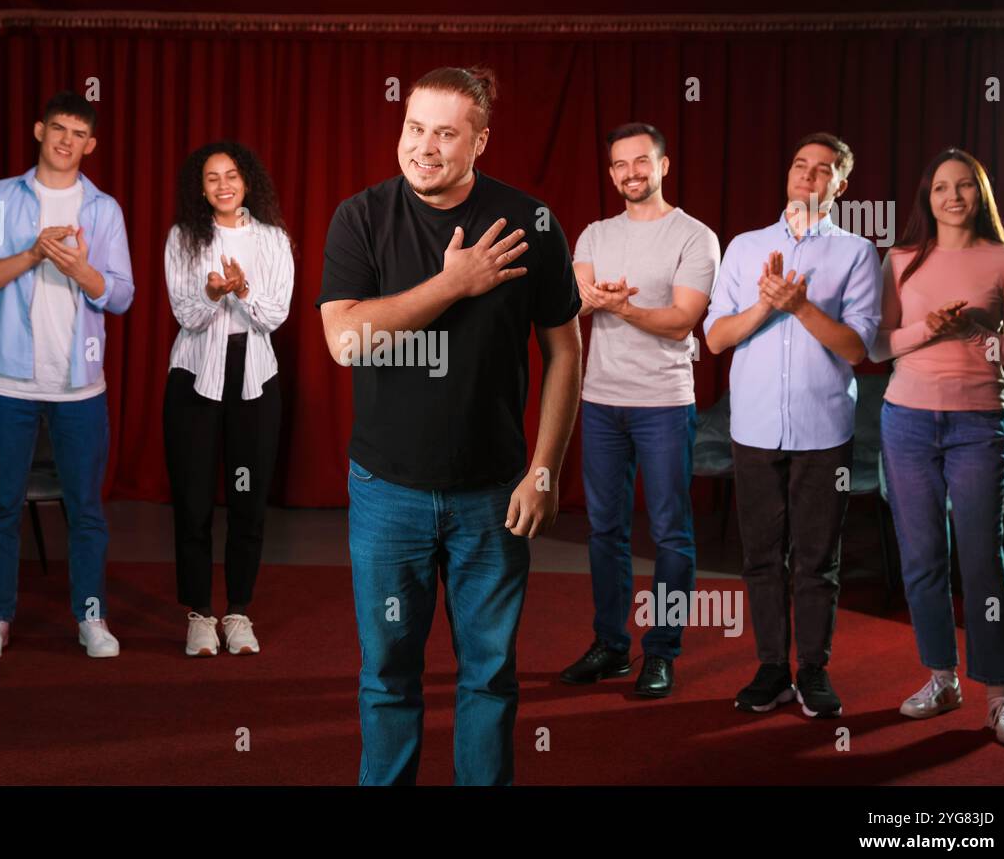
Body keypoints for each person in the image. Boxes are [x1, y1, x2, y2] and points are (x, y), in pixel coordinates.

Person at [317, 65, 582, 785]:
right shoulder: (361, 218)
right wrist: (452, 283)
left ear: (480, 141)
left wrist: (544, 467)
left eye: (444, 132)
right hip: (386, 491)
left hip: (493, 495)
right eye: (413, 128)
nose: (424, 146)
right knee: (387, 676)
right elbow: (346, 341)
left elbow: (565, 350)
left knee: (490, 676)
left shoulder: (531, 223)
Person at [704, 132, 881, 718]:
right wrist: (765, 305)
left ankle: (814, 670)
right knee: (760, 557)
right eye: (799, 165)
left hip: (823, 431)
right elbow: (715, 337)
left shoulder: (856, 253)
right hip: (753, 428)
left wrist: (802, 306)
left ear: (840, 185)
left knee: (816, 559)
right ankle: (773, 668)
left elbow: (858, 349)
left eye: (822, 169)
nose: (807, 177)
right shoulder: (744, 246)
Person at [0, 90, 135, 661]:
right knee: (3, 505)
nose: (66, 141)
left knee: (85, 508)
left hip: (80, 386)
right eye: (58, 128)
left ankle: (91, 617)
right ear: (39, 130)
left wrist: (82, 270)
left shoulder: (103, 209)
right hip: (7, 383)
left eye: (78, 134)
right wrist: (33, 255)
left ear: (91, 144)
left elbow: (123, 295)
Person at [870, 147, 1004, 746]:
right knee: (921, 559)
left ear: (979, 195)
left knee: (982, 558)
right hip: (907, 422)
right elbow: (880, 346)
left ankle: (1000, 696)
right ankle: (941, 678)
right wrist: (930, 330)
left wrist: (978, 332)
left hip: (977, 425)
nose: (954, 196)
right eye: (942, 186)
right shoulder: (901, 260)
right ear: (928, 196)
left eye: (965, 186)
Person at [561, 122, 719, 698]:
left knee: (671, 533)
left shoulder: (695, 236)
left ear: (663, 166)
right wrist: (594, 299)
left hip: (663, 403)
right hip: (601, 401)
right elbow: (576, 297)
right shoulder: (596, 234)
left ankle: (663, 651)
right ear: (611, 173)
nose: (631, 172)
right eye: (620, 164)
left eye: (641, 162)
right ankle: (611, 645)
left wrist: (618, 308)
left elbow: (682, 319)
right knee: (605, 529)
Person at [163, 142, 294, 656]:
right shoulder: (184, 238)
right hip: (194, 379)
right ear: (201, 187)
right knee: (193, 502)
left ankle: (238, 611)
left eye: (232, 175)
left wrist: (240, 292)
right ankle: (199, 614)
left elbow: (275, 316)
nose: (222, 184)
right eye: (212, 177)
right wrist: (213, 294)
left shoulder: (273, 240)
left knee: (248, 503)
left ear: (247, 182)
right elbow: (186, 315)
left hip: (255, 381)